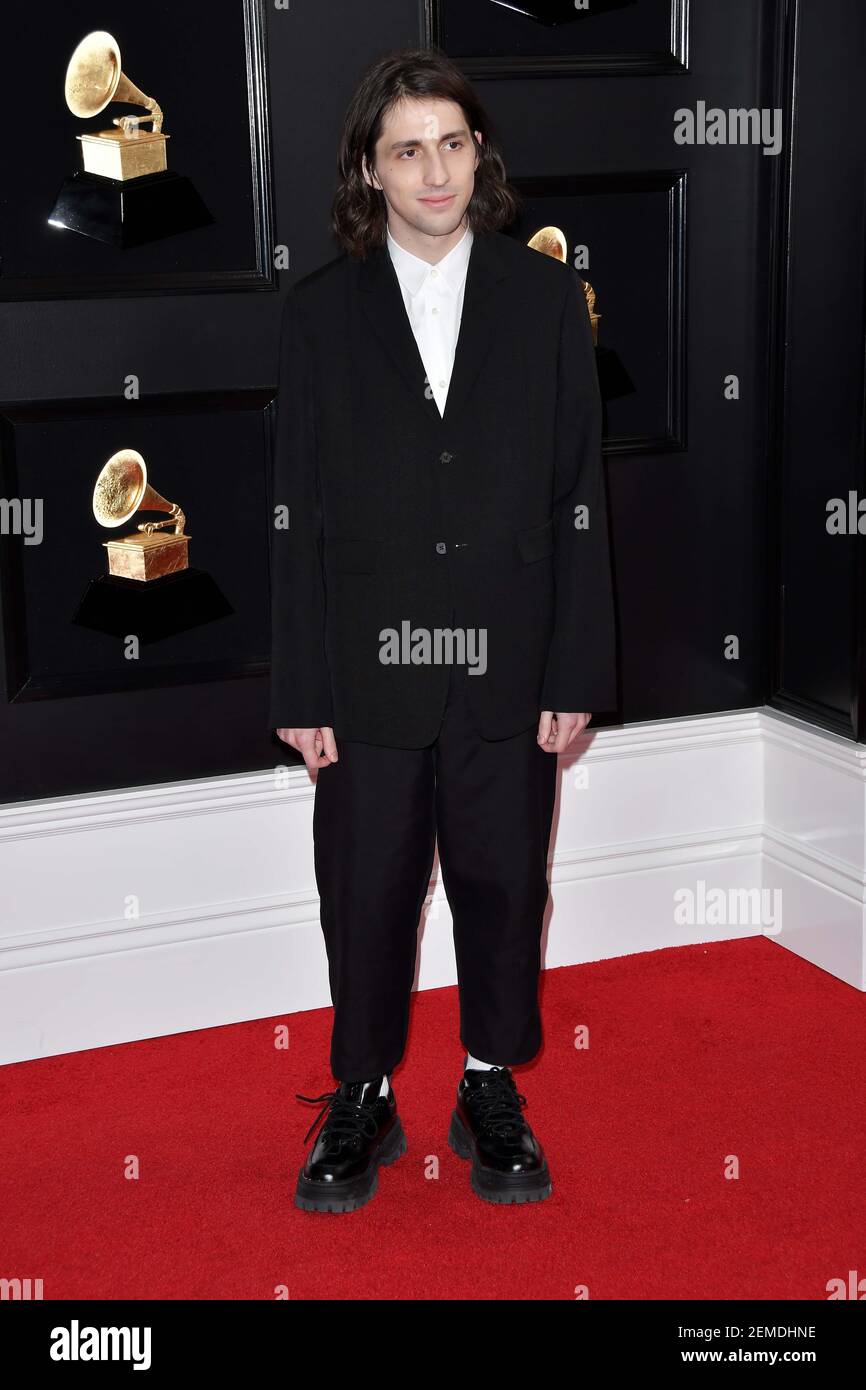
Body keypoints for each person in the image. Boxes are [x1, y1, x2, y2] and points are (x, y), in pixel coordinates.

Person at [269, 46, 617, 1213]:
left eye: (452, 143)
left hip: (509, 661)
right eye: (406, 148)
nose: (434, 170)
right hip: (364, 666)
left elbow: (579, 495)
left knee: (503, 880)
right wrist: (302, 684)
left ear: (481, 156)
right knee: (364, 888)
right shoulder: (320, 313)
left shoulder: (542, 299)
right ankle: (361, 1093)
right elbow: (296, 516)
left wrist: (574, 667)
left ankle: (485, 1085)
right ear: (370, 169)